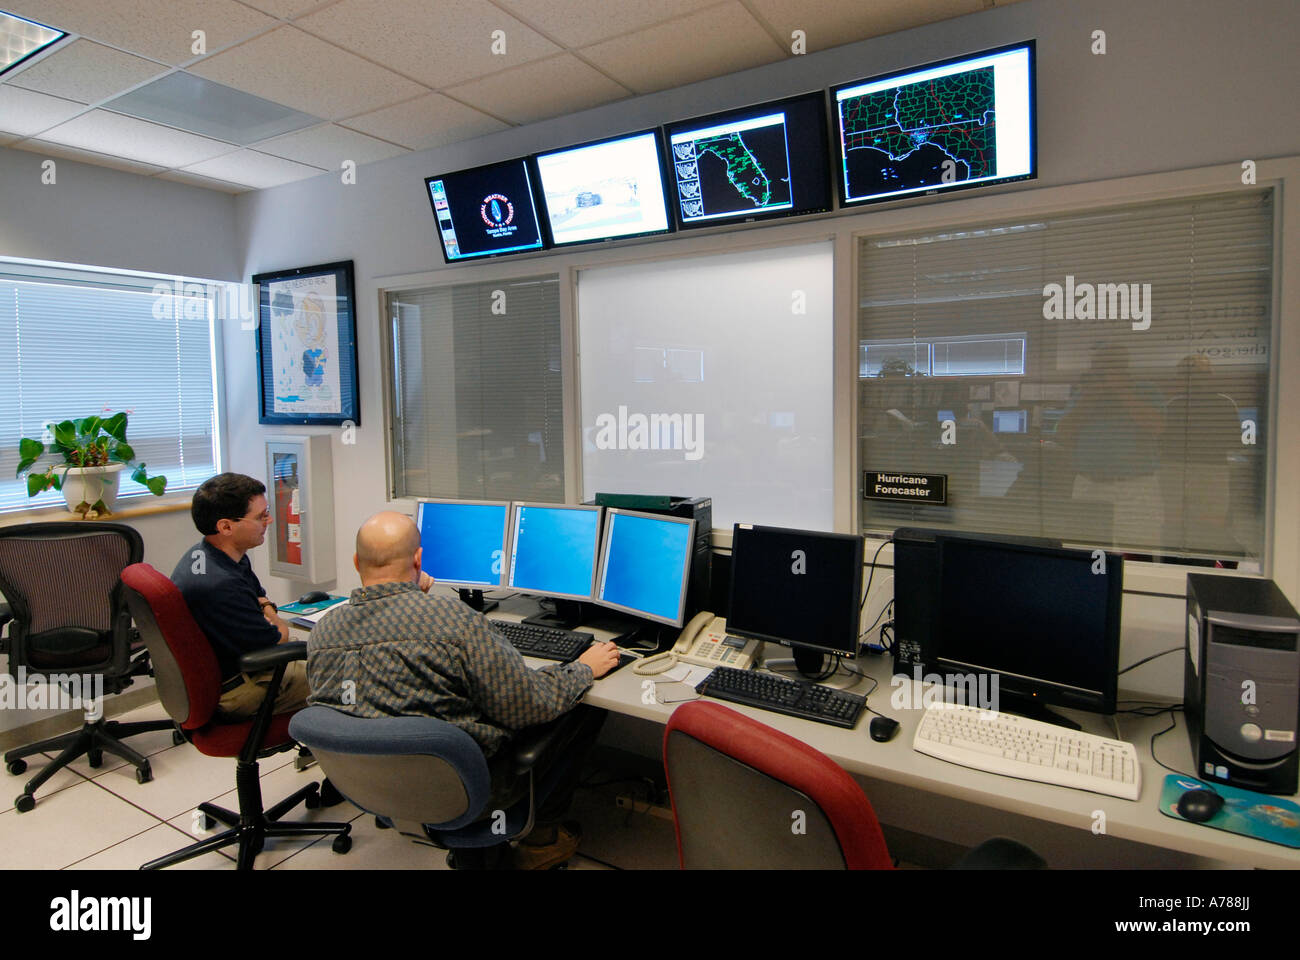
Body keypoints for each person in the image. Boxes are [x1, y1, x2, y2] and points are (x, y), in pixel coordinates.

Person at [306, 511, 620, 869]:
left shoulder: (323, 633)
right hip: (471, 791)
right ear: (418, 560)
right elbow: (528, 705)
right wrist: (582, 669)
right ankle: (541, 841)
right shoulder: (451, 620)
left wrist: (413, 600)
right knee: (583, 705)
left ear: (356, 562)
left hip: (374, 790)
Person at [171, 473, 308, 721]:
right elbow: (277, 641)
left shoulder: (209, 554)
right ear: (226, 526)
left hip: (240, 664)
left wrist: (266, 607)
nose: (270, 520)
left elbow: (258, 595)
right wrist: (278, 622)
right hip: (238, 688)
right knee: (348, 679)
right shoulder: (219, 584)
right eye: (260, 516)